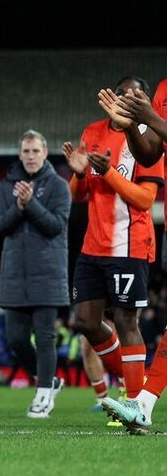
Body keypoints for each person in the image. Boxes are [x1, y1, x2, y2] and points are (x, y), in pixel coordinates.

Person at [64, 76, 163, 434]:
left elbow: (145, 200)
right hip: (93, 245)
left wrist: (108, 175)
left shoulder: (149, 139)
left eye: (136, 95)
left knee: (126, 322)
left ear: (145, 101)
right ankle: (133, 380)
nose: (126, 99)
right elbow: (77, 194)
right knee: (86, 321)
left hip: (129, 244)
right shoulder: (92, 130)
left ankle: (136, 405)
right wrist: (76, 176)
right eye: (122, 93)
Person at [97, 76, 167, 433]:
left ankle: (142, 402)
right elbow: (150, 152)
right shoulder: (164, 90)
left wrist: (149, 117)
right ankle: (142, 403)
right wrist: (129, 129)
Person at [0, 129, 70, 418]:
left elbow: (55, 226)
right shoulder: (5, 186)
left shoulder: (59, 186)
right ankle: (50, 380)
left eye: (36, 151)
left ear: (45, 153)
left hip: (48, 273)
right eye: (26, 151)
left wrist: (30, 204)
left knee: (45, 337)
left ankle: (43, 395)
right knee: (15, 340)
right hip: (14, 274)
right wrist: (19, 206)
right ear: (20, 154)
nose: (31, 156)